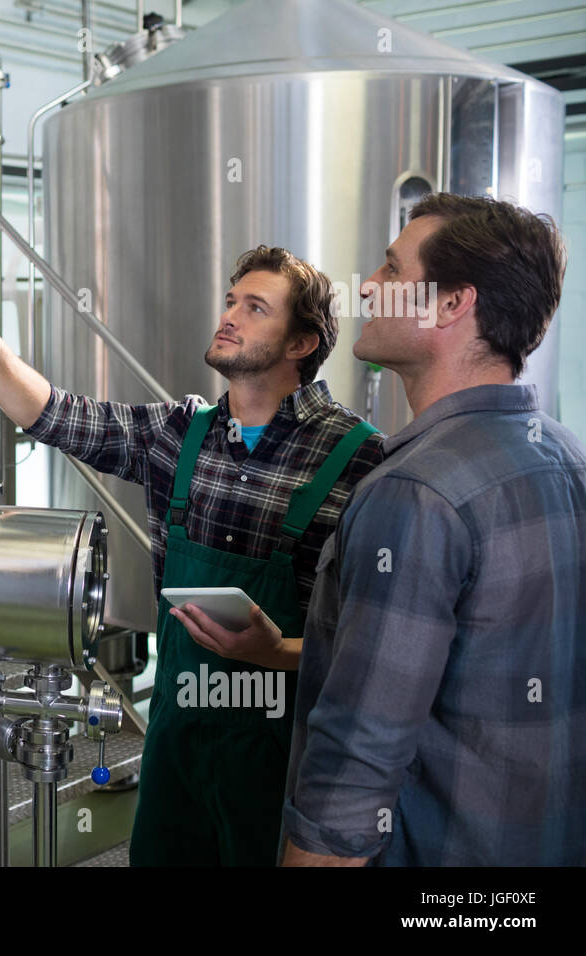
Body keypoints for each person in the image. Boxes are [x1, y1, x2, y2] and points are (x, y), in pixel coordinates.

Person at [0, 242, 384, 866]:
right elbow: (54, 414)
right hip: (178, 737)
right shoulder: (178, 434)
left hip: (286, 752)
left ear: (300, 344)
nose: (229, 316)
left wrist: (277, 653)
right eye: (230, 301)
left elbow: (376, 644)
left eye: (255, 308)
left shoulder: (361, 460)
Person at [277, 194, 584, 866]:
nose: (368, 285)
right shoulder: (565, 456)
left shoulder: (416, 493)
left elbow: (355, 767)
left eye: (391, 270)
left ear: (452, 305)